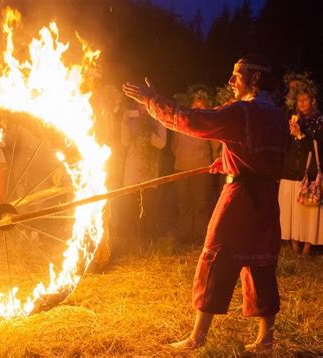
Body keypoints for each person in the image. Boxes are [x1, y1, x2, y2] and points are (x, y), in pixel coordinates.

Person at [123, 54, 288, 352]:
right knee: (260, 261)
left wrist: (152, 101)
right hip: (265, 199)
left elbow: (193, 121)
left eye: (236, 75)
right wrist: (226, 162)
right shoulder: (277, 114)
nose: (230, 81)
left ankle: (197, 337)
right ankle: (266, 338)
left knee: (216, 257)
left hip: (238, 198)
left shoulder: (242, 112)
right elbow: (259, 156)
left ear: (254, 79)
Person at [279, 78, 323, 255]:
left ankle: (307, 247)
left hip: (309, 173)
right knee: (291, 210)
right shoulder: (292, 117)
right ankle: (294, 244)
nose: (302, 103)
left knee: (308, 213)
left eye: (306, 99)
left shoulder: (319, 121)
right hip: (290, 172)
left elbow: (318, 147)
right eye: (299, 99)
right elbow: (284, 145)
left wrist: (300, 136)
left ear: (313, 101)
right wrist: (289, 133)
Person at [170, 85, 215, 244]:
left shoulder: (209, 124)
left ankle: (199, 236)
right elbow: (174, 146)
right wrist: (181, 158)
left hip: (201, 168)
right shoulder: (182, 121)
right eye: (196, 104)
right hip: (181, 167)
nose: (198, 108)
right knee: (183, 203)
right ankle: (184, 235)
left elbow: (214, 147)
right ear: (191, 105)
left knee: (201, 204)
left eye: (202, 106)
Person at [120, 101, 167, 254]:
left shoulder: (158, 121)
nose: (143, 109)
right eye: (140, 106)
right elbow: (124, 141)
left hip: (149, 170)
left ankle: (148, 240)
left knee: (148, 208)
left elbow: (161, 144)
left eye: (145, 106)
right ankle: (132, 242)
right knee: (132, 207)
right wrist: (126, 123)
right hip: (133, 170)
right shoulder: (131, 120)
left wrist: (149, 133)